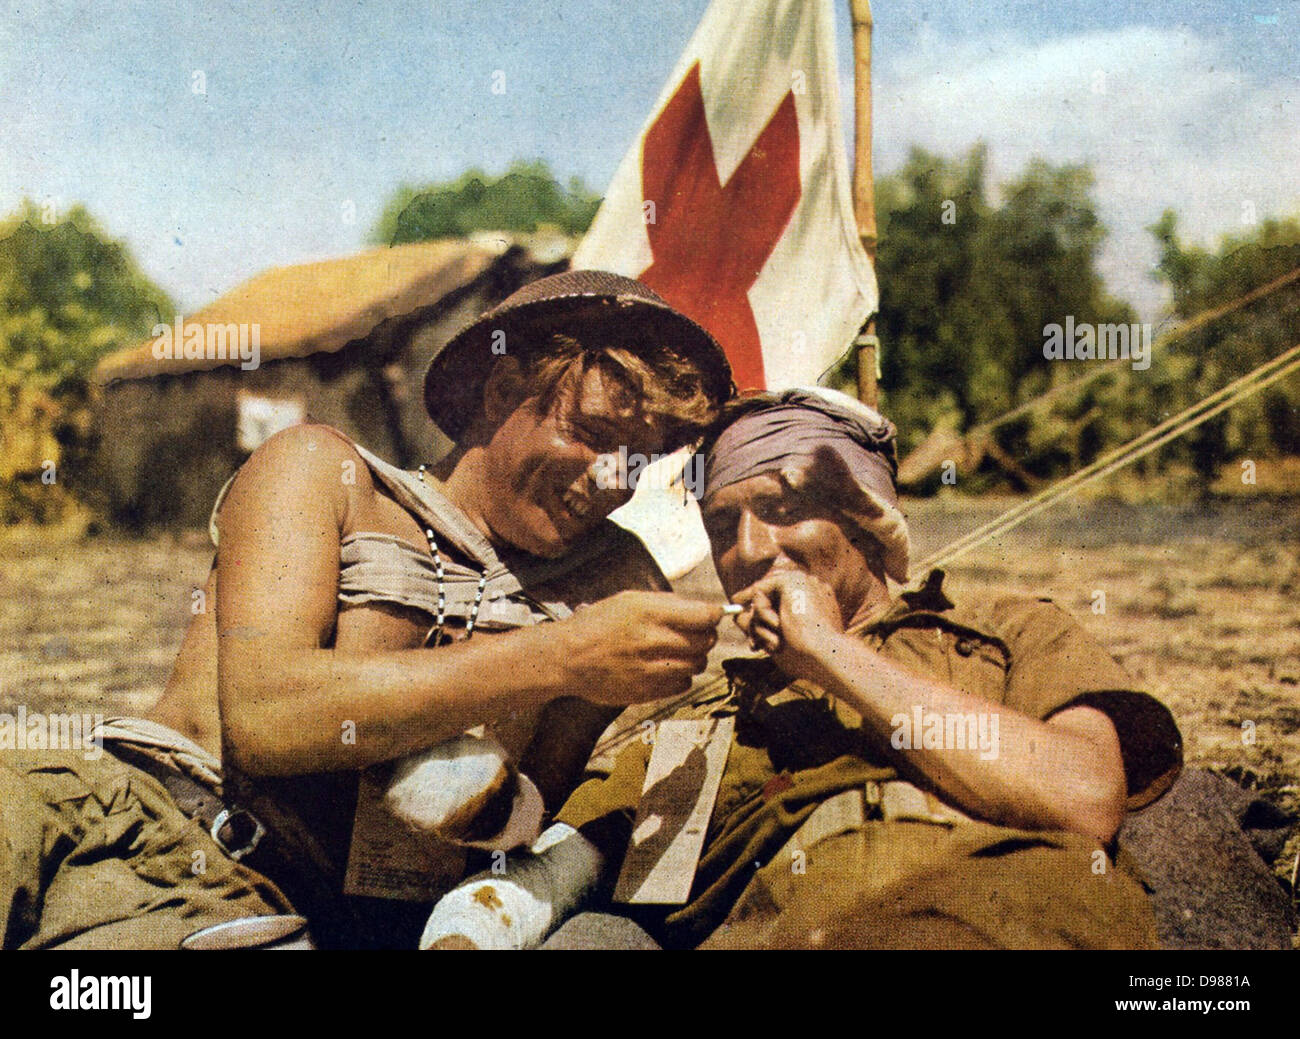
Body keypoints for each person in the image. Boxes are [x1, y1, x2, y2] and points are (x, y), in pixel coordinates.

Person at [0, 270, 735, 950]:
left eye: (639, 460)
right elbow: (266, 716)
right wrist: (562, 654)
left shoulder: (615, 582)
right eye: (595, 436)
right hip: (129, 820)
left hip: (268, 918)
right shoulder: (326, 473)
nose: (613, 480)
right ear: (503, 388)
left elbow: (552, 828)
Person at [423, 387, 1184, 950]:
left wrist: (829, 653)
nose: (749, 550)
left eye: (783, 507)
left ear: (864, 512)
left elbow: (1082, 797)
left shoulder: (1005, 631)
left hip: (1002, 913)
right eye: (722, 525)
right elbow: (585, 870)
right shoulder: (706, 713)